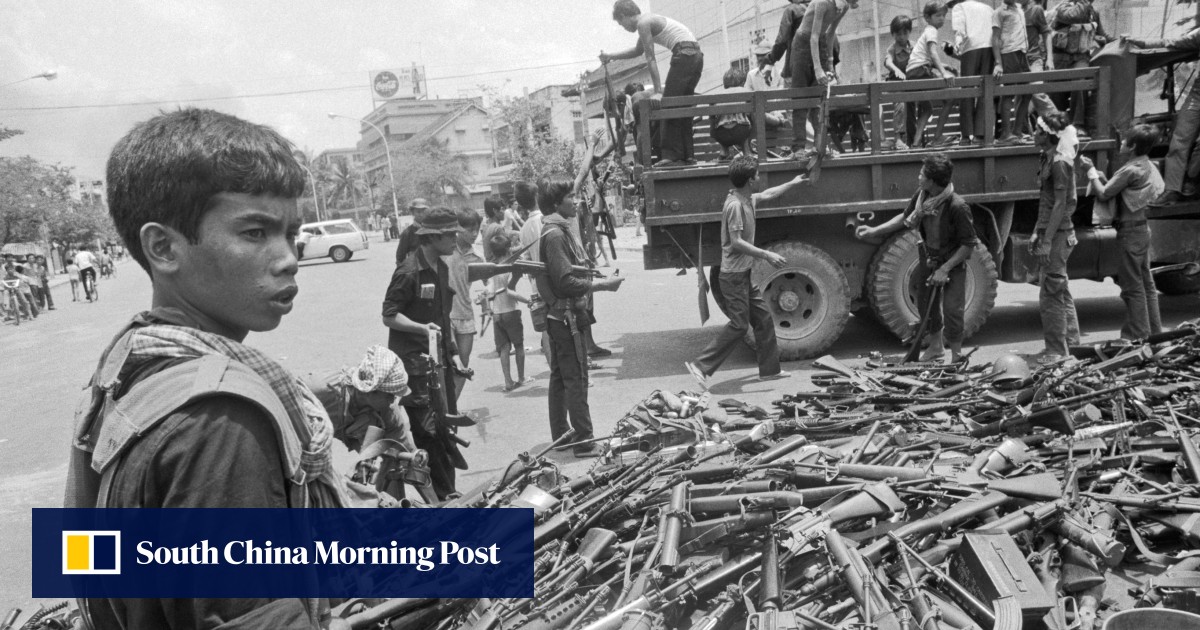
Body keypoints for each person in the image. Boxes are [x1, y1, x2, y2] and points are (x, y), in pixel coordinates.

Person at [66, 107, 355, 629]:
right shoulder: (221, 419)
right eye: (255, 232)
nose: (288, 257)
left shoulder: (128, 359)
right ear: (163, 247)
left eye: (291, 233)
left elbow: (81, 554)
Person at [685, 158, 809, 387]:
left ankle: (770, 371)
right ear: (750, 180)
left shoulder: (747, 198)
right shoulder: (735, 206)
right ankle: (701, 366)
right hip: (732, 276)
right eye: (758, 175)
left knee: (763, 319)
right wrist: (766, 255)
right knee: (739, 325)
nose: (760, 178)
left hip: (743, 273)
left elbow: (769, 194)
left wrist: (793, 182)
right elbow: (736, 242)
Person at [855, 153, 979, 362]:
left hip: (952, 264)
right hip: (929, 257)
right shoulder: (923, 196)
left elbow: (968, 245)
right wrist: (874, 231)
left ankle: (957, 356)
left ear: (932, 181)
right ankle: (936, 347)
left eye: (922, 175)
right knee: (926, 306)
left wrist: (944, 269)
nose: (918, 177)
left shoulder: (958, 207)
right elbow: (905, 217)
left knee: (952, 309)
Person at [382, 206, 470, 500]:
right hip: (415, 368)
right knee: (428, 432)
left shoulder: (441, 268)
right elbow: (389, 315)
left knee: (445, 429)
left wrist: (453, 353)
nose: (456, 240)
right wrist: (421, 329)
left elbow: (442, 318)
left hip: (439, 364)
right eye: (450, 235)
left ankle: (449, 494)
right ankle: (442, 497)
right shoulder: (408, 271)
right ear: (432, 237)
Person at [535, 178, 625, 457]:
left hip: (559, 317)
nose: (575, 202)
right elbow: (564, 281)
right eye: (569, 198)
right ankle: (584, 441)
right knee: (576, 379)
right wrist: (602, 285)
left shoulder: (555, 229)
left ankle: (562, 436)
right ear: (555, 204)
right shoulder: (555, 234)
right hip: (566, 319)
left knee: (561, 378)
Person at [1080, 124, 1165, 340]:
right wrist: (1102, 178)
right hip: (1142, 229)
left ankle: (1136, 335)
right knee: (1146, 285)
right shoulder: (1147, 165)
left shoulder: (1130, 170)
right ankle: (1155, 334)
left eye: (1126, 140)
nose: (1123, 143)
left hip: (1129, 234)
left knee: (1132, 288)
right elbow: (1125, 192)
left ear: (1133, 146)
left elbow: (1104, 194)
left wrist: (1090, 171)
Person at [602, 0, 704, 167]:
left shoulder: (643, 23)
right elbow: (638, 51)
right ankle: (688, 156)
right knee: (682, 105)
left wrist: (657, 91)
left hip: (684, 54)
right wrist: (611, 56)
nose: (624, 28)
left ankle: (672, 157)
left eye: (621, 24)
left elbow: (650, 58)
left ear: (624, 15)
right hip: (696, 56)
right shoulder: (647, 20)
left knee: (668, 105)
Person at [1126, 31, 1200, 206]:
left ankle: (1192, 178)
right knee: (1179, 140)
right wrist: (1142, 42)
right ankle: (1172, 190)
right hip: (1198, 94)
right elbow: (1173, 42)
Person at [1032, 112, 1081, 361]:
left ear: (1049, 136)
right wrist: (1037, 231)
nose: (1034, 134)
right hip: (1054, 231)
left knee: (1051, 293)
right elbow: (1047, 202)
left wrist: (1047, 240)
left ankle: (1056, 351)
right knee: (1059, 290)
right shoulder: (1049, 158)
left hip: (1059, 235)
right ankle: (1071, 344)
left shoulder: (1059, 163)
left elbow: (1060, 205)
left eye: (1038, 131)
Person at [788, 0, 859, 160]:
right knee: (799, 99)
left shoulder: (843, 6)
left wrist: (830, 63)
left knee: (819, 101)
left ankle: (820, 146)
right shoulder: (823, 2)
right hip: (803, 42)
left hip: (820, 43)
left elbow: (830, 33)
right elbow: (813, 36)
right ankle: (798, 148)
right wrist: (817, 68)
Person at [446, 208, 484, 400]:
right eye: (470, 229)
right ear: (458, 229)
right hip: (445, 315)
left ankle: (452, 407)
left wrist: (486, 294)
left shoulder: (477, 257)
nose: (474, 234)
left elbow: (489, 283)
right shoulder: (445, 250)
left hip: (466, 315)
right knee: (445, 364)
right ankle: (444, 408)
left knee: (463, 365)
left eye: (477, 229)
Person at [908, 2, 957, 148]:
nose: (942, 18)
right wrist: (943, 73)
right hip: (920, 71)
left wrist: (946, 66)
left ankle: (916, 142)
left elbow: (926, 58)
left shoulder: (927, 31)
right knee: (950, 97)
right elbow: (932, 52)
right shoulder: (931, 31)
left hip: (913, 73)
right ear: (927, 18)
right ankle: (937, 137)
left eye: (944, 15)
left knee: (928, 109)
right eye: (938, 15)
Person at [516, 181, 554, 363]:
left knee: (547, 329)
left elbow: (526, 260)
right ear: (537, 196)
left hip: (538, 284)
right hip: (555, 280)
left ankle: (554, 368)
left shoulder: (524, 229)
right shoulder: (546, 220)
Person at [488, 234, 529, 392]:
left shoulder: (492, 269)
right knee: (518, 346)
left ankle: (508, 381)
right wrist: (527, 301)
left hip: (497, 313)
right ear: (507, 249)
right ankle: (521, 377)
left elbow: (489, 291)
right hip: (510, 311)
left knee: (504, 348)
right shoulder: (509, 268)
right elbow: (510, 292)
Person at [950, 0, 995, 145]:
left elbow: (959, 29)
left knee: (967, 89)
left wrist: (957, 42)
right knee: (985, 89)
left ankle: (966, 134)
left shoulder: (959, 7)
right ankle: (980, 134)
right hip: (989, 46)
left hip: (970, 47)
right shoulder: (988, 8)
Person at [992, 0, 1032, 145]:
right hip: (1008, 53)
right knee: (1008, 93)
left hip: (1022, 52)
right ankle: (1005, 134)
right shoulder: (999, 12)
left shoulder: (1019, 8)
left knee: (1027, 92)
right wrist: (998, 63)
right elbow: (995, 38)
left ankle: (1017, 131)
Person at [1020, 0, 1060, 127]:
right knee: (1021, 99)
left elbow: (1046, 34)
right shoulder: (1013, 11)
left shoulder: (1036, 10)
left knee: (1037, 91)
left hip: (1034, 59)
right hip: (1018, 62)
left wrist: (1050, 59)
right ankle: (1023, 131)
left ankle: (1058, 122)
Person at [883, 15, 915, 150]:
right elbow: (888, 61)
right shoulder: (892, 48)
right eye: (898, 34)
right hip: (896, 85)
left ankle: (915, 140)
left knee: (914, 108)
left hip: (911, 84)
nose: (901, 37)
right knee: (900, 105)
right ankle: (898, 139)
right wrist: (896, 70)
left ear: (909, 32)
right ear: (893, 34)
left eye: (904, 33)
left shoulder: (914, 46)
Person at [710, 67, 753, 161]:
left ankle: (724, 151)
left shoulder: (717, 94)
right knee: (747, 121)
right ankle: (746, 151)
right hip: (740, 132)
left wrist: (713, 132)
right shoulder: (745, 91)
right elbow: (751, 111)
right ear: (742, 82)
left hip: (721, 134)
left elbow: (712, 118)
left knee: (721, 122)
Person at [745, 44, 791, 131]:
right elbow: (748, 97)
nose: (760, 58)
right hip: (760, 114)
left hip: (776, 111)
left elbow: (781, 97)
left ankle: (777, 121)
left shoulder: (779, 74)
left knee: (770, 114)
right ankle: (779, 122)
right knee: (759, 114)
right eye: (758, 55)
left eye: (763, 55)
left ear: (770, 57)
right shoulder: (751, 75)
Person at [766, 0, 811, 88]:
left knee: (794, 96)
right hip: (819, 70)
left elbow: (782, 41)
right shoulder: (820, 6)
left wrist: (770, 60)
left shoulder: (792, 10)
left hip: (795, 69)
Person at [394, 198, 431, 264]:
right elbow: (400, 257)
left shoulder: (433, 229)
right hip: (416, 267)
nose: (421, 214)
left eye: (423, 211)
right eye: (418, 212)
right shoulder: (407, 233)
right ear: (413, 213)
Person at [481, 195, 509, 263]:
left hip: (490, 264)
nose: (504, 211)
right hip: (499, 264)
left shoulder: (485, 227)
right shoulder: (498, 228)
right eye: (502, 209)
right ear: (495, 211)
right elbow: (506, 251)